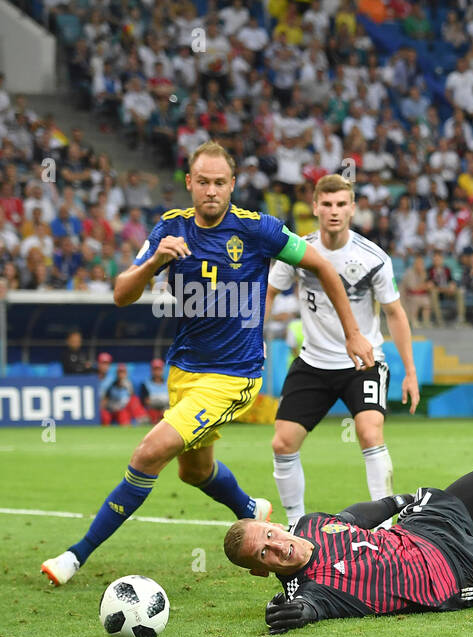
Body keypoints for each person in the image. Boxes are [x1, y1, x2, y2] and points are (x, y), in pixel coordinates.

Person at [43, 142, 374, 586]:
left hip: (235, 376)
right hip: (185, 372)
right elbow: (122, 293)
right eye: (204, 182)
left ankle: (76, 555)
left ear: (232, 185)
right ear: (189, 183)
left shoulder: (259, 230)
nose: (212, 191)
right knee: (193, 471)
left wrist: (353, 332)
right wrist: (156, 262)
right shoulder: (170, 229)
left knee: (149, 453)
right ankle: (249, 510)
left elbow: (324, 268)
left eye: (221, 183)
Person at [224, 444, 473, 630]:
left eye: (270, 535)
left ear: (274, 523)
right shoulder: (308, 591)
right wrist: (297, 615)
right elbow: (310, 608)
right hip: (459, 574)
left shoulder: (308, 524)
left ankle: (470, 526)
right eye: (265, 554)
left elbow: (353, 517)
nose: (277, 546)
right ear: (260, 572)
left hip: (425, 527)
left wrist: (402, 500)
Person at [265, 174, 418, 527]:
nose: (334, 212)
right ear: (315, 207)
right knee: (282, 443)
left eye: (341, 205)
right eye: (327, 204)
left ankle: (384, 529)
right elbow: (270, 292)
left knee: (369, 431)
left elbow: (395, 313)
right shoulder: (296, 251)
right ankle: (296, 525)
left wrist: (409, 372)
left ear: (352, 209)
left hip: (363, 362)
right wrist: (255, 337)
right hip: (313, 361)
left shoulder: (372, 258)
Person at [138, 358, 170, 423]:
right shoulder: (145, 384)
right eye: (155, 369)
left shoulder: (169, 384)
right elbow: (146, 401)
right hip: (152, 411)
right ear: (151, 370)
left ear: (162, 370)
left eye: (159, 369)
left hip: (166, 411)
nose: (157, 372)